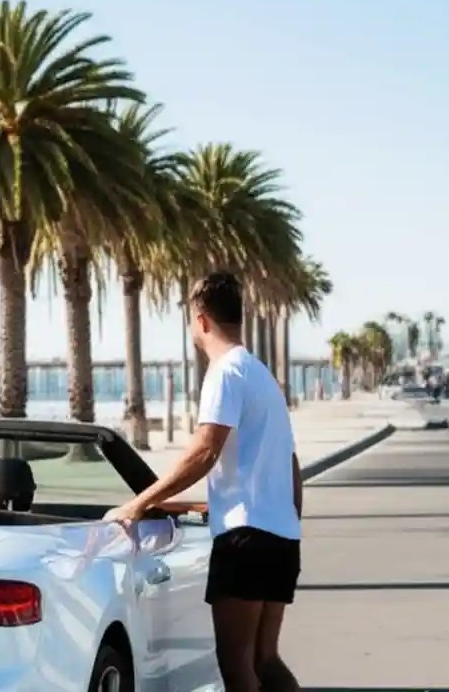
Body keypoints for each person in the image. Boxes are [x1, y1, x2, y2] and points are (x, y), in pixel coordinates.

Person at [103, 272, 303, 692]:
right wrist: (284, 522)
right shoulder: (261, 375)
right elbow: (291, 465)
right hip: (281, 535)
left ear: (201, 320)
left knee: (235, 665)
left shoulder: (224, 372)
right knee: (265, 661)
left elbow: (204, 450)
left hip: (246, 539)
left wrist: (139, 504)